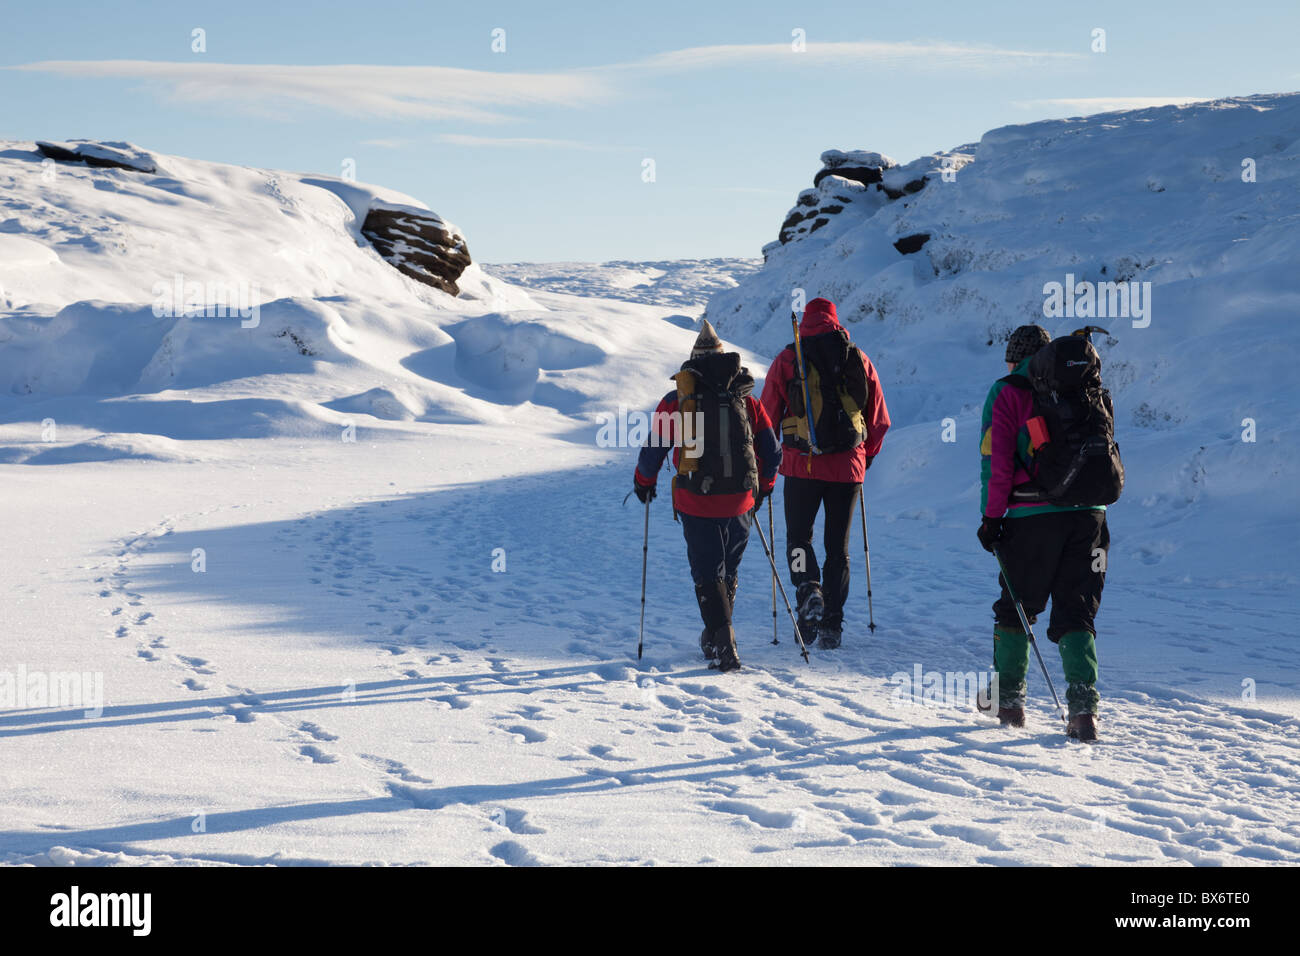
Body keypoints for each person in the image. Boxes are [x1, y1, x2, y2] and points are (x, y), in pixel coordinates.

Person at [976, 324, 1109, 741]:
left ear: (1018, 358)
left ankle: (1009, 700)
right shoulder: (1086, 387)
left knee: (1017, 605)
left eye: (1011, 358)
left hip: (1029, 515)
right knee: (1077, 609)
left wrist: (991, 518)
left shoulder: (1008, 390)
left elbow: (996, 462)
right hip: (1090, 515)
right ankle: (1083, 709)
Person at [632, 320, 780, 672]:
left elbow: (654, 449)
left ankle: (723, 639)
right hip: (742, 498)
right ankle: (714, 635)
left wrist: (643, 481)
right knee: (726, 569)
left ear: (693, 362)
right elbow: (772, 453)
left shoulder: (678, 400)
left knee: (706, 571)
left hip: (696, 499)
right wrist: (764, 488)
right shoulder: (748, 400)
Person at [759, 297, 890, 649]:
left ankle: (807, 590)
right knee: (839, 550)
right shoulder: (857, 357)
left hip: (801, 465)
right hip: (848, 468)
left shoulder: (789, 358)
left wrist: (767, 464)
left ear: (805, 320)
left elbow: (766, 419)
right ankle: (832, 624)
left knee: (799, 539)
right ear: (835, 320)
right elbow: (878, 420)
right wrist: (866, 456)